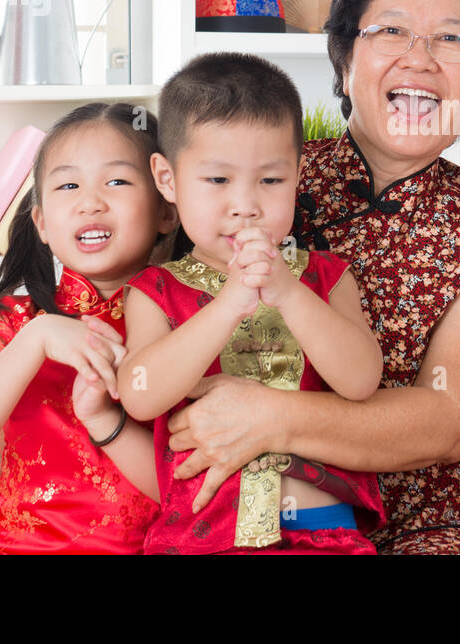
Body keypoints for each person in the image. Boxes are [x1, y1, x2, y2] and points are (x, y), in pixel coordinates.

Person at [0, 0, 460, 556]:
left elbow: (450, 421)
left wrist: (275, 419)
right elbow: (97, 345)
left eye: (452, 39)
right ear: (343, 53)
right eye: (391, 29)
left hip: (424, 519)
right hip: (220, 511)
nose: (418, 57)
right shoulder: (244, 177)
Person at [117, 52, 385, 554]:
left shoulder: (326, 276)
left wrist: (286, 290)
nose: (246, 204)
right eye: (218, 180)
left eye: (271, 180)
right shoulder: (155, 290)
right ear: (167, 178)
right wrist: (228, 304)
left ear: (299, 173)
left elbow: (361, 380)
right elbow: (140, 394)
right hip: (202, 540)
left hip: (323, 532)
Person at [0, 102, 178, 553]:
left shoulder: (182, 321)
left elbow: (182, 486)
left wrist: (108, 418)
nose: (90, 201)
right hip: (6, 544)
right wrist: (38, 338)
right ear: (42, 222)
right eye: (68, 184)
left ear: (167, 210)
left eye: (118, 181)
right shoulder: (17, 316)